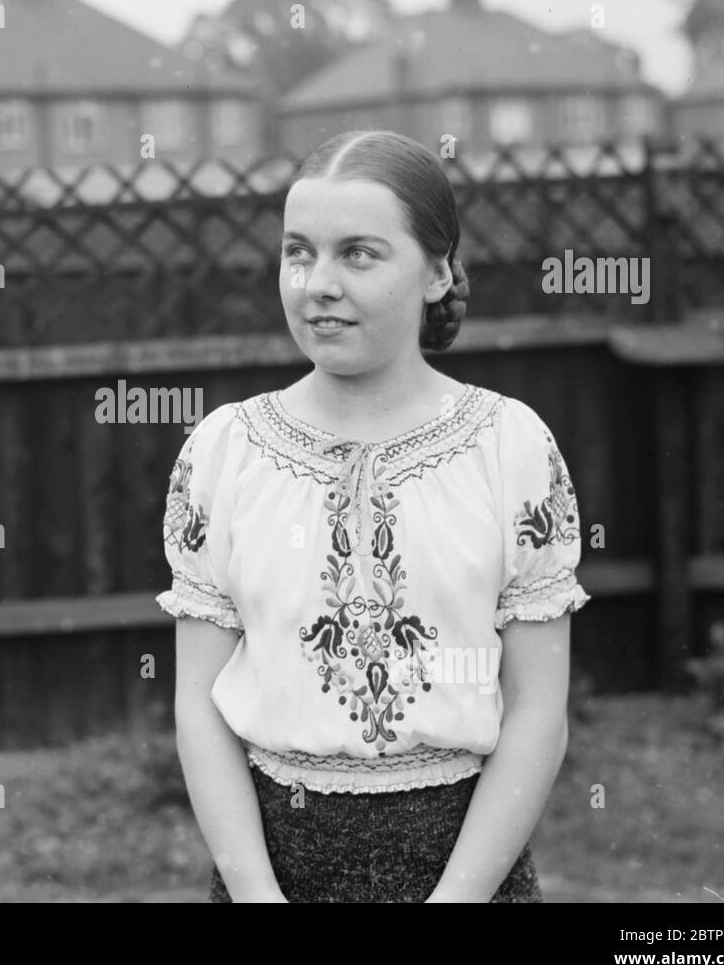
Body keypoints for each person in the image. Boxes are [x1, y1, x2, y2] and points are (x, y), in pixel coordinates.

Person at [158, 129, 590, 903]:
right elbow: (198, 698)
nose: (317, 283)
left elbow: (537, 710)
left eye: (358, 253)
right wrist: (257, 894)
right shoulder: (224, 451)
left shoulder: (509, 446)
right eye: (299, 252)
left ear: (436, 272)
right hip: (273, 870)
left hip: (466, 870)